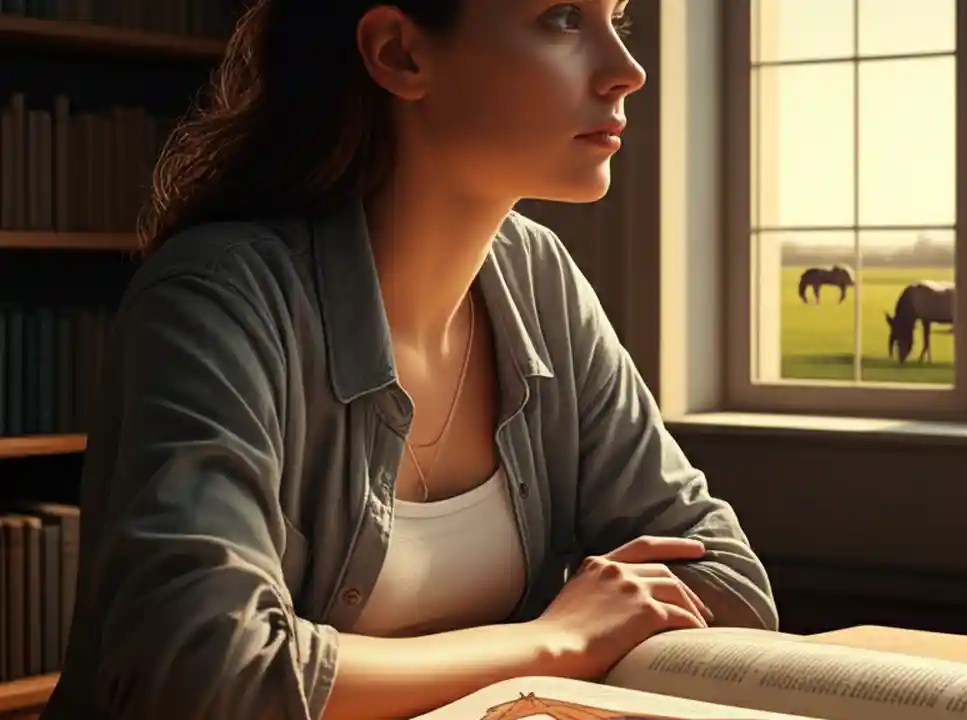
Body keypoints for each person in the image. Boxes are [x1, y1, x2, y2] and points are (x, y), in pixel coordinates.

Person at [40, 1, 777, 719]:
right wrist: (552, 642)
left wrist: (563, 640)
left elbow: (729, 579)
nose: (629, 71)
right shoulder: (218, 298)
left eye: (613, 20)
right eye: (561, 18)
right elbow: (203, 671)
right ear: (400, 53)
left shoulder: (540, 279)